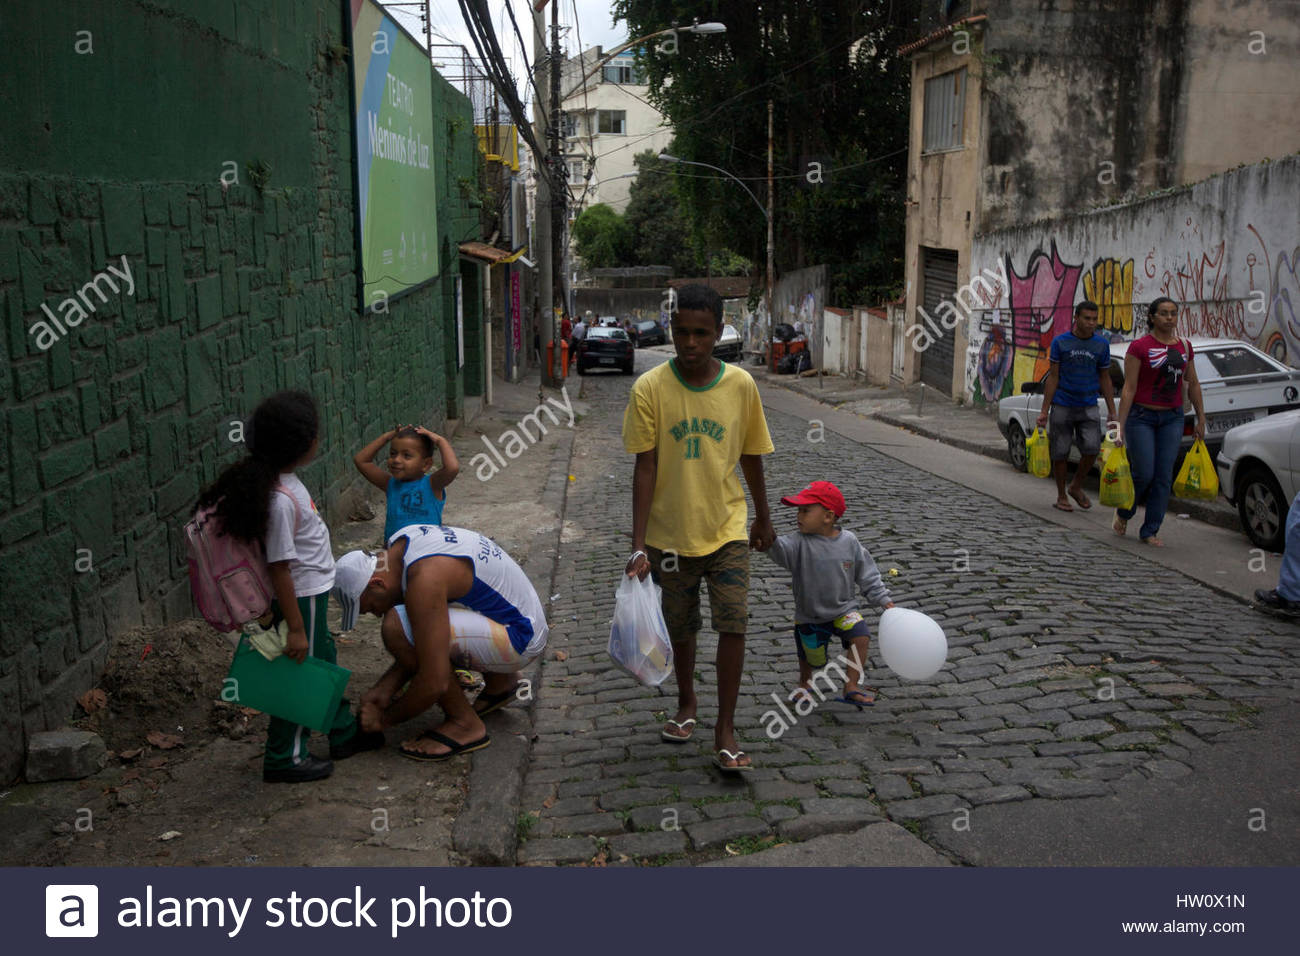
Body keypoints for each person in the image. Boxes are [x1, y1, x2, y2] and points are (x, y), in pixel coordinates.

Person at [622, 283, 775, 772]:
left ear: (717, 334)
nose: (690, 343)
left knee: (734, 622)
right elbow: (644, 467)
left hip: (728, 527)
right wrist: (638, 544)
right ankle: (686, 701)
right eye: (682, 332)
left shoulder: (741, 387)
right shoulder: (649, 389)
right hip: (670, 537)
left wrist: (764, 516)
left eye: (701, 334)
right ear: (671, 330)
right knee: (681, 628)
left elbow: (752, 455)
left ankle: (725, 727)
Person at [194, 391, 382, 783]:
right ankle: (285, 755)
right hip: (301, 599)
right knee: (298, 676)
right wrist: (296, 628)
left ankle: (343, 730)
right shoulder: (281, 500)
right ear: (305, 444)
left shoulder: (282, 484)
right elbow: (280, 568)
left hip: (308, 596)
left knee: (320, 665)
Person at [332, 525, 547, 759]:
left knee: (396, 625)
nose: (375, 614)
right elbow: (426, 634)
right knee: (417, 622)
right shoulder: (401, 542)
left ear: (377, 584)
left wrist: (384, 720)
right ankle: (501, 682)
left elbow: (434, 683)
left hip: (522, 637)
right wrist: (386, 688)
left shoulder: (424, 579)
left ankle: (464, 724)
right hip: (518, 617)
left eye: (371, 607)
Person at [765, 481, 895, 709]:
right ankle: (805, 684)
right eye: (799, 510)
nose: (799, 515)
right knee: (810, 657)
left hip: (844, 610)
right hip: (810, 615)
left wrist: (885, 601)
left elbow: (867, 575)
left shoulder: (849, 542)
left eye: (805, 510)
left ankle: (851, 685)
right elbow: (779, 551)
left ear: (827, 516)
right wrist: (767, 540)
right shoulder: (797, 542)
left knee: (861, 636)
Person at [1113, 297, 1207, 545]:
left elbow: (1193, 383)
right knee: (1144, 473)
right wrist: (1119, 428)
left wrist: (1201, 418)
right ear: (1152, 317)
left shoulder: (1184, 347)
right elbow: (1129, 388)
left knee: (1164, 476)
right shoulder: (1139, 347)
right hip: (1141, 417)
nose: (1169, 318)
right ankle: (1124, 512)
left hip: (1172, 418)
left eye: (1173, 313)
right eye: (1164, 313)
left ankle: (1150, 530)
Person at [1035, 301, 1117, 511]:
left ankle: (1076, 486)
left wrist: (1112, 412)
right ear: (1076, 318)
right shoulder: (1061, 343)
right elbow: (1053, 378)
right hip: (1063, 404)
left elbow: (1105, 378)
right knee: (1060, 452)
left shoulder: (1101, 345)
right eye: (1086, 318)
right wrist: (1044, 410)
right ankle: (1062, 495)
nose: (1091, 323)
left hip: (1089, 404)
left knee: (1092, 449)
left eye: (1094, 319)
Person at [353, 425, 459, 544]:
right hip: (395, 554)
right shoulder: (390, 484)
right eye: (393, 453)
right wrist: (388, 436)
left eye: (406, 456)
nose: (396, 460)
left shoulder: (432, 484)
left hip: (426, 553)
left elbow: (452, 468)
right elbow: (361, 460)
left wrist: (440, 441)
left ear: (426, 464)